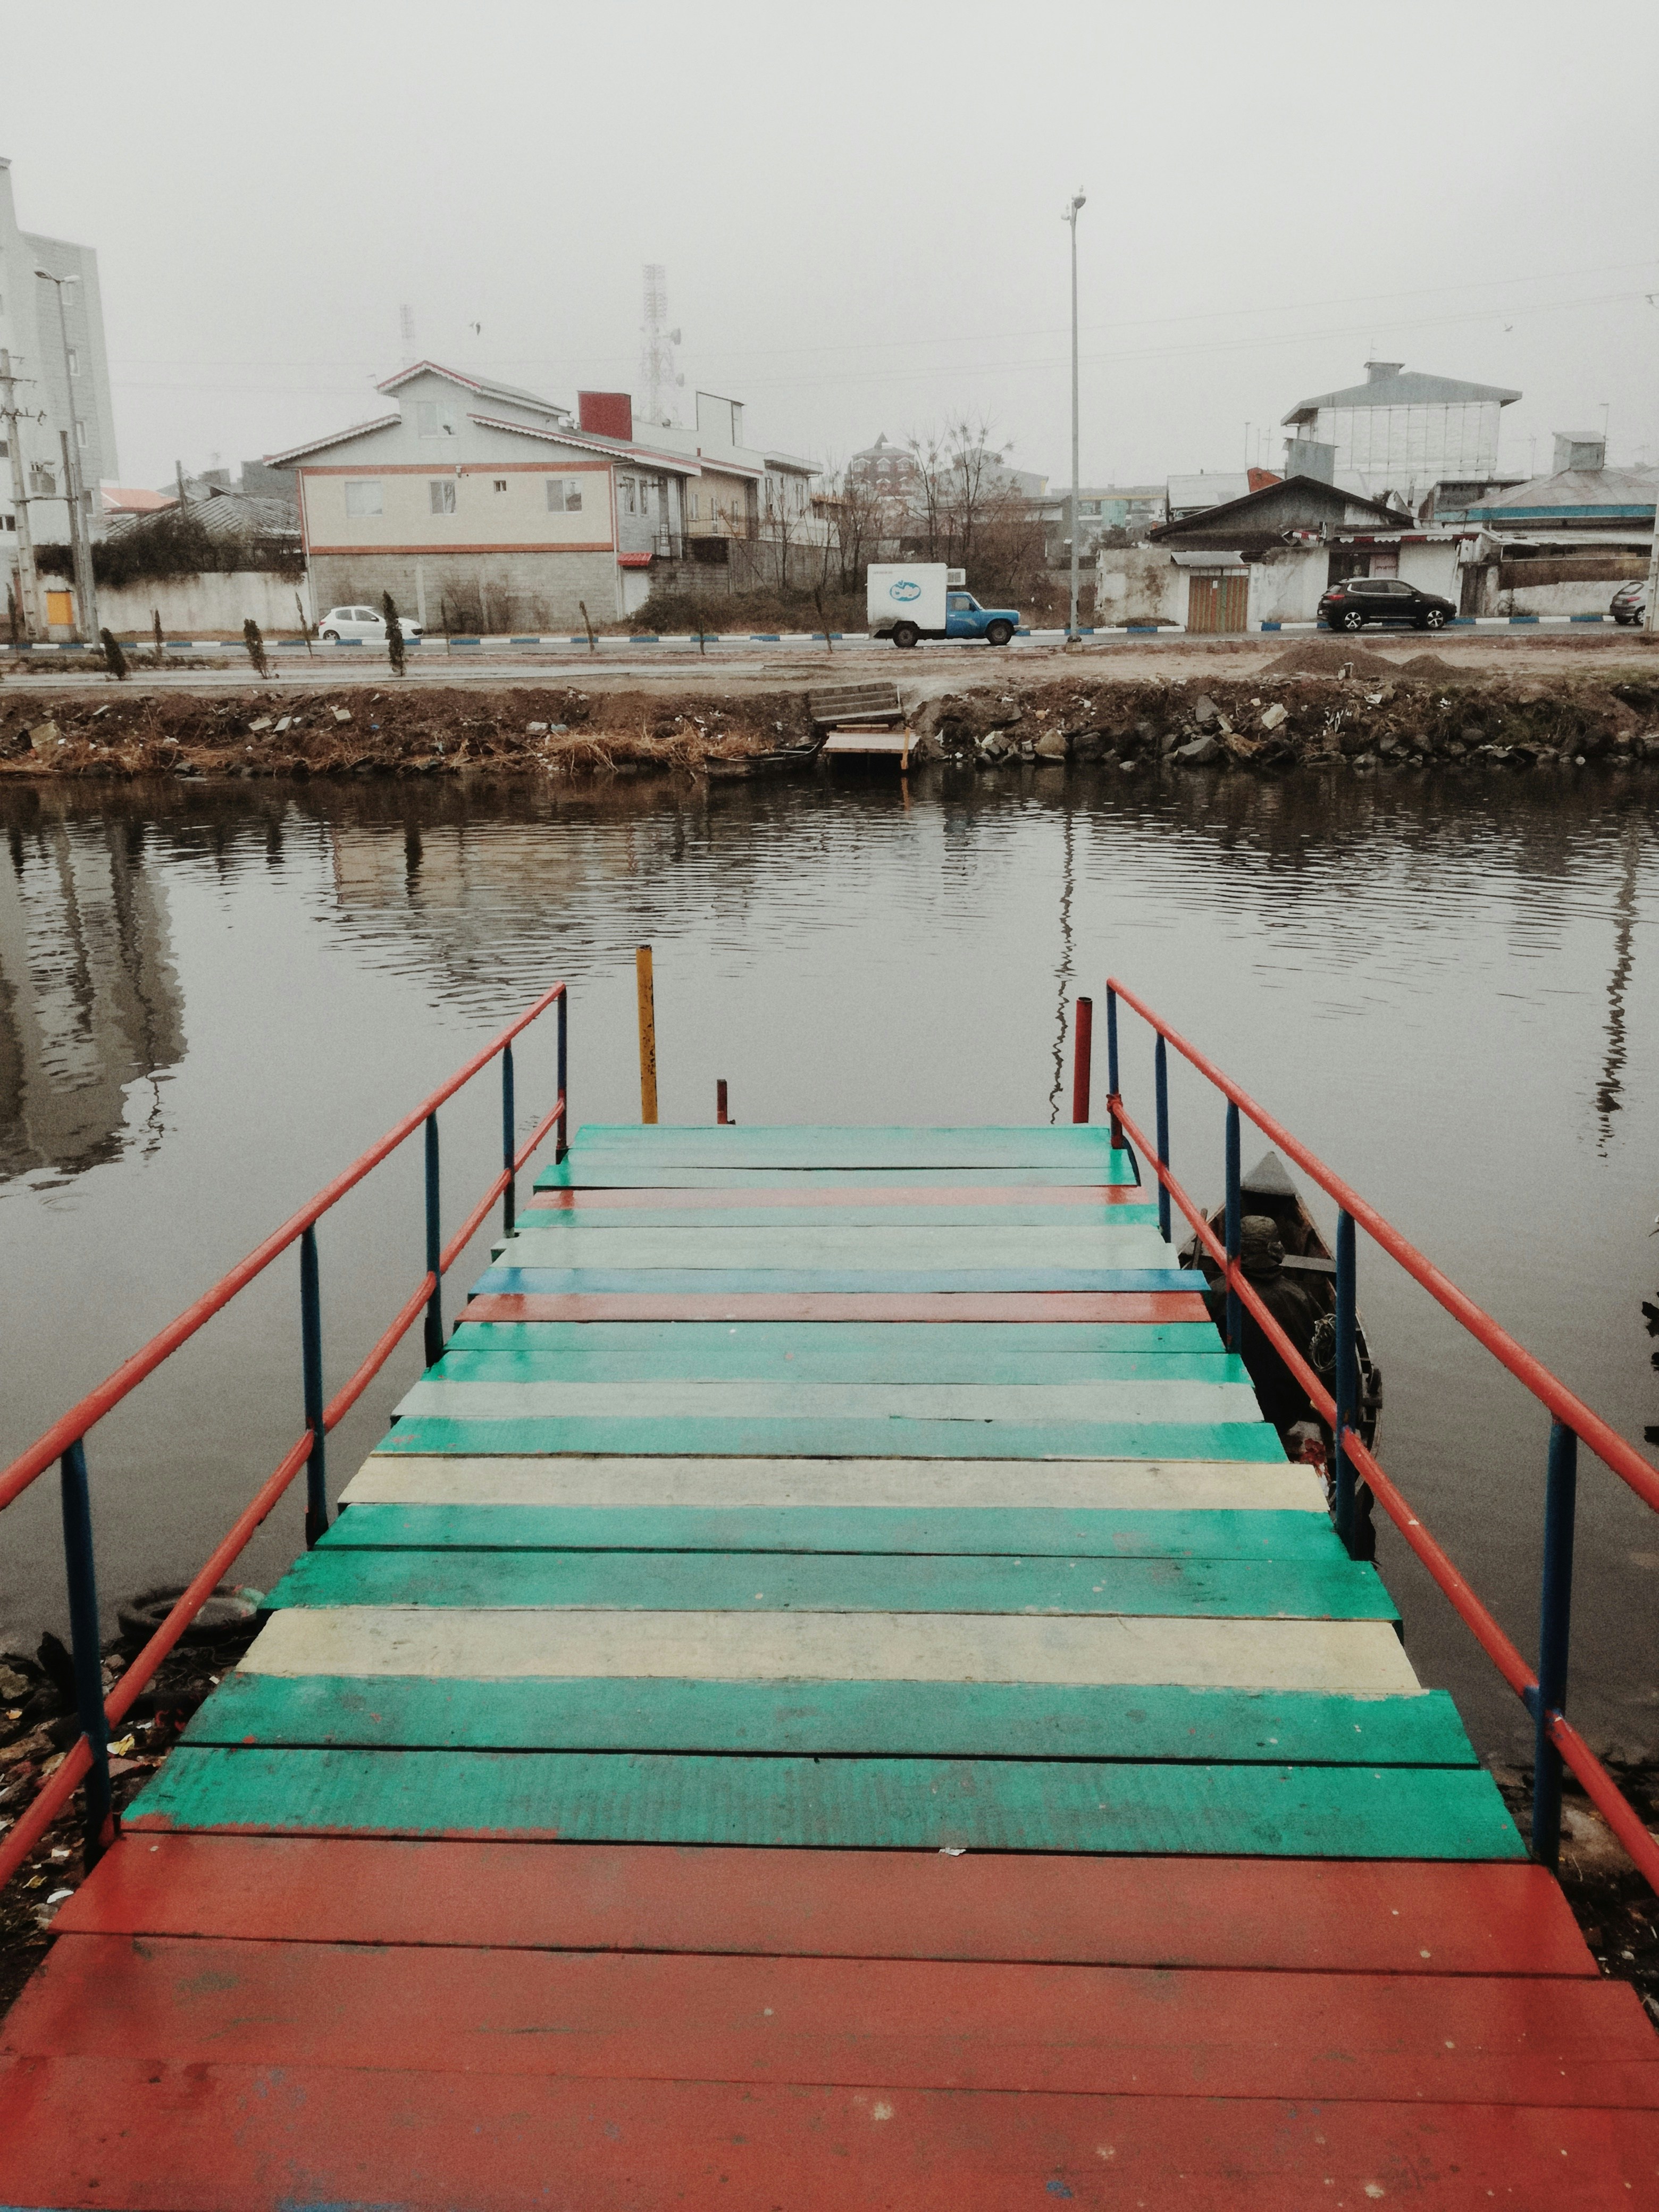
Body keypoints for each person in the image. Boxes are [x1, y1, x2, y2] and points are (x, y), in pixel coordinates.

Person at [1234, 1214, 1320, 1438]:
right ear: (1277, 1252)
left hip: (1230, 1410)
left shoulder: (1217, 1294)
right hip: (1284, 1416)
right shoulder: (1301, 1298)